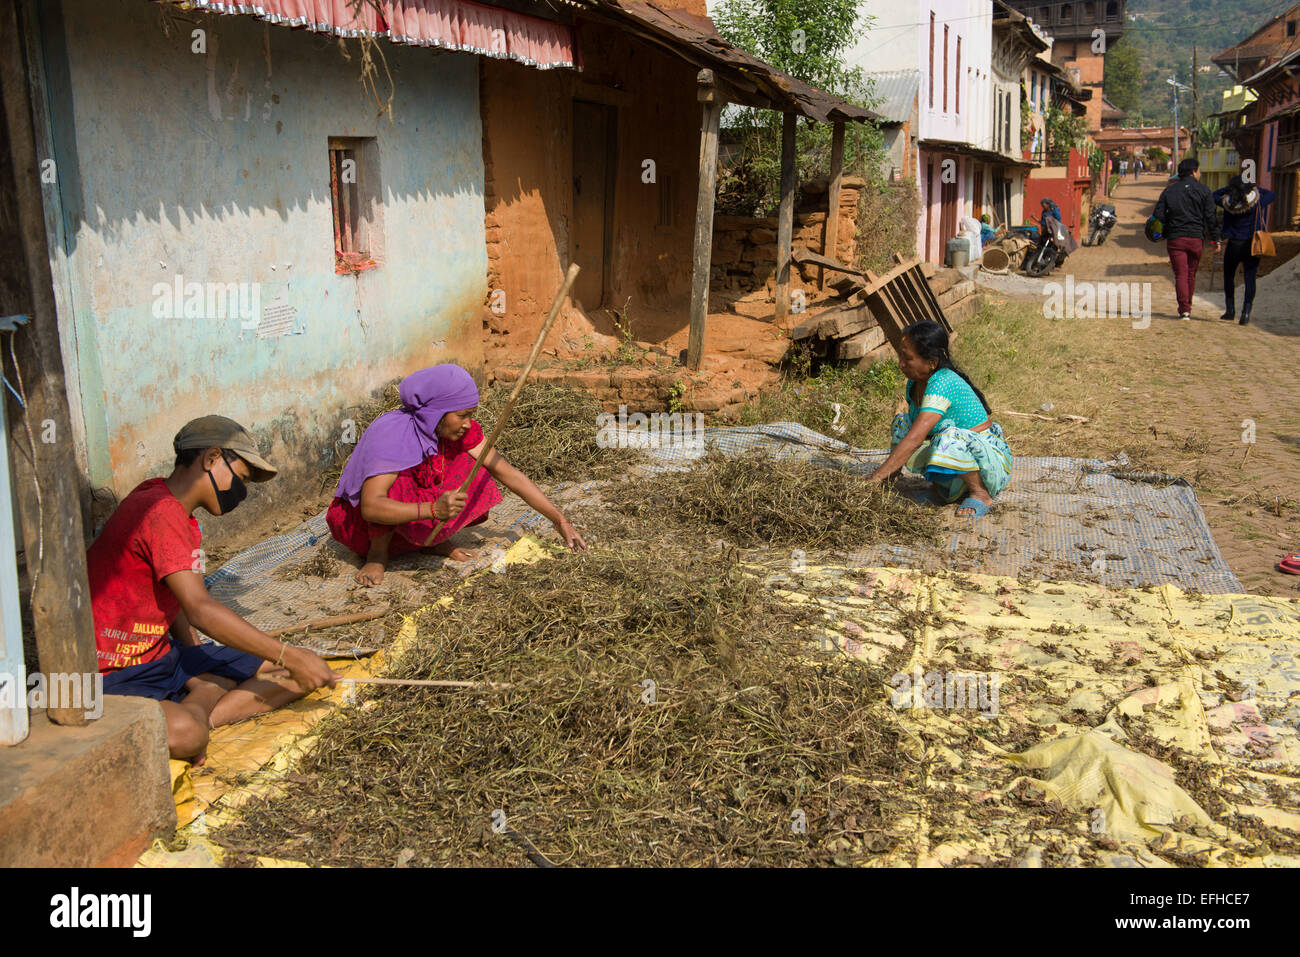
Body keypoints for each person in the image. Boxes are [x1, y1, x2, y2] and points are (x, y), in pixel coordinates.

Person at [89, 416, 338, 763]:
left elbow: (170, 598)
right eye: (242, 477)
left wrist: (194, 654)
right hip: (115, 672)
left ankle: (197, 704)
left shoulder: (165, 502)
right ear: (210, 458)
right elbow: (199, 609)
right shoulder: (162, 512)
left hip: (162, 656)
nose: (242, 491)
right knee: (188, 734)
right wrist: (287, 655)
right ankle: (204, 697)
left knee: (304, 675)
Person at [328, 363, 588, 585]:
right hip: (368, 528)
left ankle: (432, 541)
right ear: (435, 413)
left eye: (471, 415)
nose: (468, 424)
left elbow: (509, 474)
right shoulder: (392, 435)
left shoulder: (458, 432)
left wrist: (559, 520)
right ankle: (378, 555)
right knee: (401, 479)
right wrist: (432, 510)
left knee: (477, 468)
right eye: (462, 415)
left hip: (420, 516)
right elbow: (371, 508)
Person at [868, 321, 1011, 519]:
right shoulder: (914, 382)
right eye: (901, 355)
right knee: (902, 423)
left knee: (945, 438)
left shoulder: (943, 382)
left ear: (932, 363)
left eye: (908, 358)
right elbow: (915, 430)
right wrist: (884, 474)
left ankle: (980, 493)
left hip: (987, 464)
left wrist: (873, 479)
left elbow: (916, 438)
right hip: (957, 461)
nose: (900, 363)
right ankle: (926, 486)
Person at [1153, 157, 1221, 320]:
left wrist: (1163, 231)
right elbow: (1211, 218)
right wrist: (1216, 240)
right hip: (1196, 238)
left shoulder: (1169, 191)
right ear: (1193, 172)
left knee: (1181, 274)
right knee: (1191, 273)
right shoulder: (1204, 191)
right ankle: (1187, 306)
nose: (1200, 174)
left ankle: (1184, 309)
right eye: (1199, 171)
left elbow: (1158, 215)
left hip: (1176, 239)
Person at [1212, 175, 1275, 325]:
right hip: (1251, 245)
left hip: (1233, 245)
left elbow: (1214, 194)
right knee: (1250, 278)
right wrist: (1252, 188)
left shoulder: (1227, 203)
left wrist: (1230, 188)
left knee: (1229, 277)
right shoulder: (1256, 201)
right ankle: (1246, 313)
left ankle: (1229, 311)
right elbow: (1272, 195)